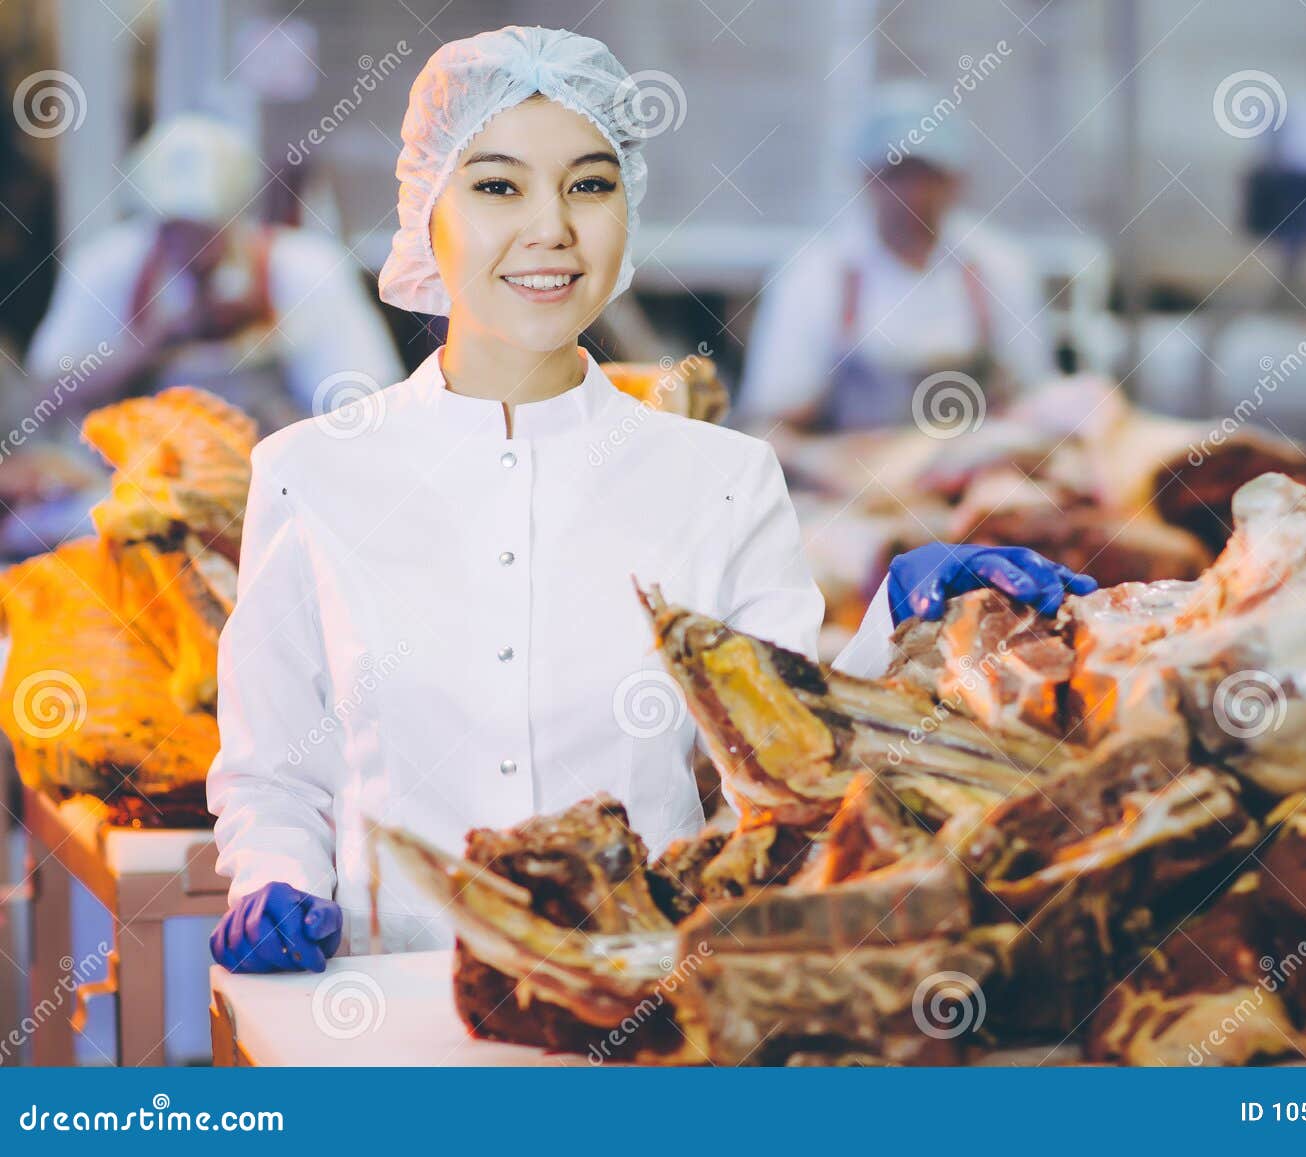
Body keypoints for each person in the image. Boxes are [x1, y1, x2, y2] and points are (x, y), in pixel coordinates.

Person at [206, 27, 1095, 974]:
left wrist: (898, 626)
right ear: (428, 212)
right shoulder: (312, 473)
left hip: (647, 1003)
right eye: (499, 186)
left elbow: (787, 760)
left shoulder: (723, 478)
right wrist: (274, 875)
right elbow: (273, 774)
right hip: (384, 1005)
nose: (551, 227)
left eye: (589, 185)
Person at [25, 114, 402, 432]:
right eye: (174, 230)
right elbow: (45, 399)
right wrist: (151, 345)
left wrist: (282, 342)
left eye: (207, 233)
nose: (191, 248)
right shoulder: (107, 266)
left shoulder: (306, 269)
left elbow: (369, 406)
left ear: (237, 218)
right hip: (133, 477)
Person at [739, 82, 1056, 432]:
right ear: (867, 178)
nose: (913, 193)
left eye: (927, 176)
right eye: (897, 175)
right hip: (852, 460)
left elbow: (1036, 398)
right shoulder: (813, 273)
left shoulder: (1000, 266)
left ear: (955, 182)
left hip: (977, 456)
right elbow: (773, 414)